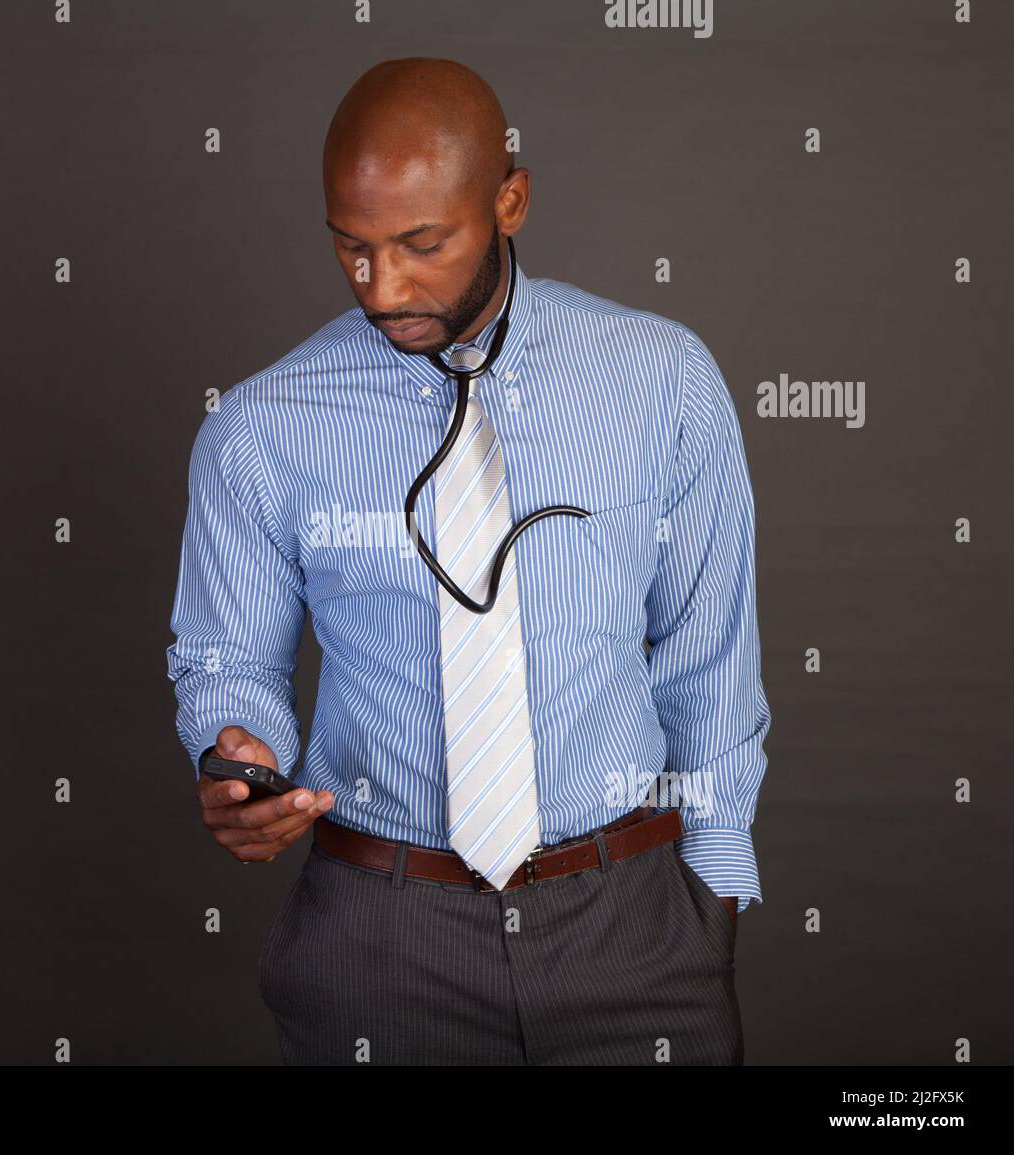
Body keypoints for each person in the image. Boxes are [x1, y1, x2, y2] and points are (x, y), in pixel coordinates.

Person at [166, 57, 771, 1065]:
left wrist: (713, 907)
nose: (383, 287)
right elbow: (230, 659)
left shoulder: (661, 378)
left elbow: (708, 656)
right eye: (350, 249)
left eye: (422, 245)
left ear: (509, 202)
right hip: (377, 937)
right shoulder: (259, 427)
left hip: (629, 930)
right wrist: (240, 755)